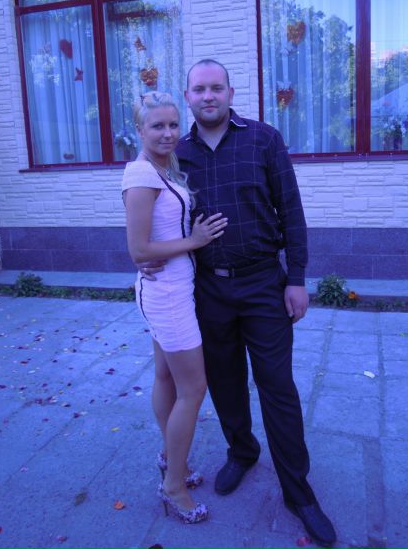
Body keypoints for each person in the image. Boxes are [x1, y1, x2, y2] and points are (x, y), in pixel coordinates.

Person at [139, 61, 336, 546]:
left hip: (264, 285)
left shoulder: (263, 139)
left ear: (230, 92)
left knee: (277, 387)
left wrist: (297, 278)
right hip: (207, 289)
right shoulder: (176, 152)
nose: (208, 96)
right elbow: (149, 208)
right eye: (199, 89)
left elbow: (291, 210)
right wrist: (146, 254)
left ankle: (298, 491)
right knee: (225, 382)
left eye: (216, 87)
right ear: (188, 96)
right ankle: (241, 451)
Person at [121, 91, 227, 524]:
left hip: (172, 290)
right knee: (193, 388)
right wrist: (195, 241)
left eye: (172, 124)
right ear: (139, 130)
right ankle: (173, 487)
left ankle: (171, 457)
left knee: (166, 377)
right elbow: (139, 250)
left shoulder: (165, 167)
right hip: (166, 296)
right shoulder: (141, 174)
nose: (167, 133)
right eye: (157, 126)